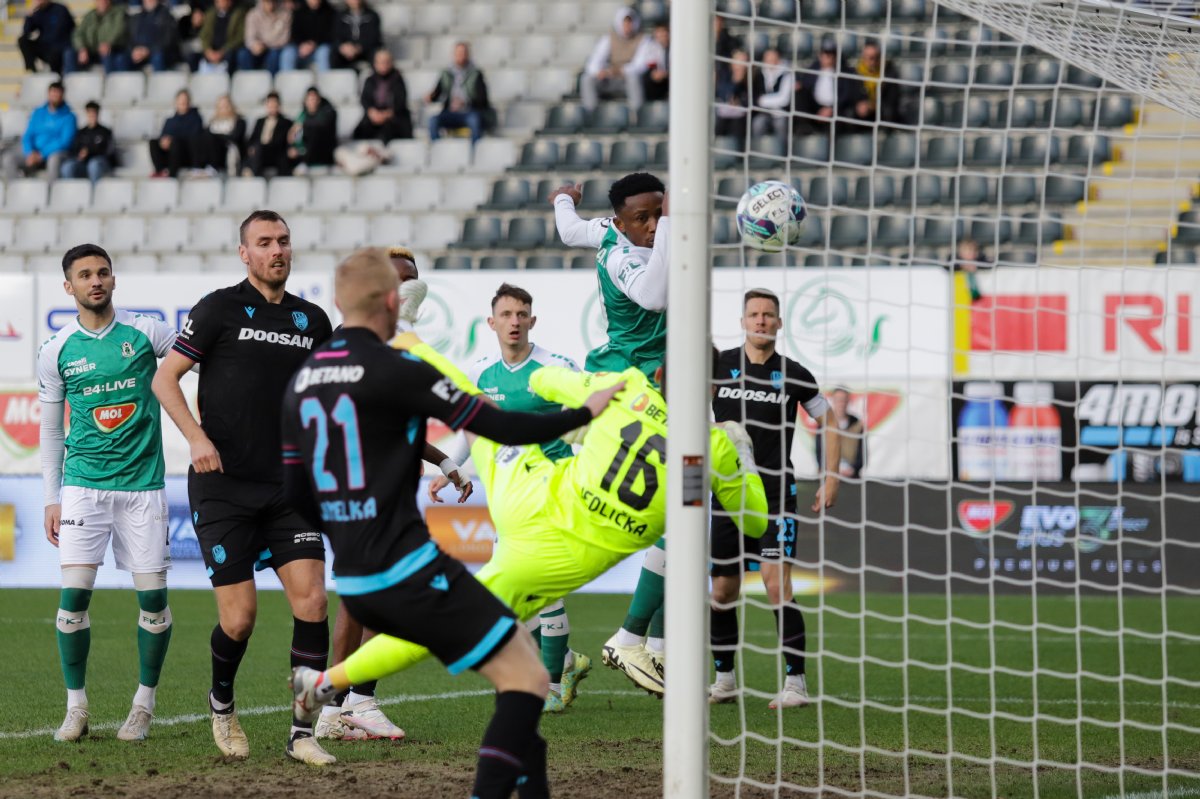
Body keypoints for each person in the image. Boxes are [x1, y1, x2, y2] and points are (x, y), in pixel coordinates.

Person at [284, 249, 628, 794]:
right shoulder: (400, 369)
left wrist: (349, 533)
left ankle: (327, 688)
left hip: (352, 573)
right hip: (407, 567)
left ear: (336, 302)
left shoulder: (303, 379)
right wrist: (587, 411)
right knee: (528, 678)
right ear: (395, 301)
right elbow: (500, 425)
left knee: (519, 681)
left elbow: (295, 490)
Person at [289, 331, 767, 717]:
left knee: (478, 407)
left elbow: (542, 381)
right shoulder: (714, 449)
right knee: (440, 624)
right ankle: (326, 683)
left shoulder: (629, 387)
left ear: (660, 373)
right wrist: (743, 456)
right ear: (714, 387)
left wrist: (591, 403)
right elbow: (755, 522)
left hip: (526, 489)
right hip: (548, 557)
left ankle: (410, 340)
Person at [151, 210, 336, 765]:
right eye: (264, 242)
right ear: (244, 253)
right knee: (239, 619)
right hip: (223, 486)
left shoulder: (312, 320)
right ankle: (222, 702)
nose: (277, 250)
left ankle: (302, 732)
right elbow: (165, 378)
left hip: (290, 488)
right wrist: (196, 438)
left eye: (283, 241)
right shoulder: (218, 309)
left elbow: (333, 397)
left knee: (314, 601)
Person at [313, 247, 464, 743]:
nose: (409, 288)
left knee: (378, 597)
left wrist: (444, 462)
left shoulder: (396, 347)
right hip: (358, 488)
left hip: (389, 488)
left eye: (414, 278)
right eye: (400, 279)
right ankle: (341, 704)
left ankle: (349, 702)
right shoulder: (350, 345)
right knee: (366, 598)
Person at [428, 283, 590, 714]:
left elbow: (589, 419)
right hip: (509, 495)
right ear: (492, 322)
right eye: (506, 314)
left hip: (553, 490)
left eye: (521, 314)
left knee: (543, 587)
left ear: (532, 320)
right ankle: (566, 662)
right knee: (519, 594)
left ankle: (551, 685)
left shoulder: (556, 367)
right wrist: (451, 467)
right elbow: (474, 427)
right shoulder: (481, 373)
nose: (514, 322)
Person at [38, 244, 178, 743]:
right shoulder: (56, 349)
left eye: (102, 272)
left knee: (154, 602)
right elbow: (51, 430)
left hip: (143, 486)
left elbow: (198, 362)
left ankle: (144, 705)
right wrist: (51, 497)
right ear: (69, 286)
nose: (95, 281)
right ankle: (76, 707)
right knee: (72, 601)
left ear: (114, 279)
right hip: (83, 487)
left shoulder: (147, 332)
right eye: (84, 275)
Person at [709, 289, 841, 710]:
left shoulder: (794, 373)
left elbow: (828, 419)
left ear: (779, 323)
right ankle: (724, 680)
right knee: (722, 591)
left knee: (775, 584)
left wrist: (831, 476)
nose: (761, 320)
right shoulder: (719, 366)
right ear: (743, 321)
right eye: (754, 314)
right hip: (727, 494)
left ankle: (795, 684)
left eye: (768, 314)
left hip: (775, 495)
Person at [551, 173, 668, 380]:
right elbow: (653, 299)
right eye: (642, 219)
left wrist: (564, 199)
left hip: (659, 359)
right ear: (621, 224)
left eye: (659, 215)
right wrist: (668, 222)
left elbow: (570, 231)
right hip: (638, 369)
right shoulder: (622, 259)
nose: (654, 227)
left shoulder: (608, 228)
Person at [2, 81, 76, 183]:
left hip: (53, 152)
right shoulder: (38, 112)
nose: (55, 95)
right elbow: (28, 135)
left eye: (58, 93)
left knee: (54, 160)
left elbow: (64, 142)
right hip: (34, 152)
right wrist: (29, 152)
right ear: (48, 94)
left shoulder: (69, 117)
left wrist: (42, 154)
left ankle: (51, 189)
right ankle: (16, 188)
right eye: (53, 92)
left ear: (62, 95)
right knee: (8, 158)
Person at [580, 7, 646, 112]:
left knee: (633, 78)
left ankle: (637, 113)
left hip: (626, 80)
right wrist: (599, 72)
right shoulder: (608, 38)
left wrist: (620, 71)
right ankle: (591, 114)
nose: (627, 26)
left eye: (630, 23)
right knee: (586, 79)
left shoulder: (643, 39)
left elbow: (640, 66)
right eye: (625, 23)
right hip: (609, 80)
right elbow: (594, 61)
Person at [425, 41, 492, 145]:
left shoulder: (476, 74)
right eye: (458, 53)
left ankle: (475, 150)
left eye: (463, 53)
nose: (461, 55)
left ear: (468, 54)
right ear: (454, 54)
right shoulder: (446, 73)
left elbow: (483, 99)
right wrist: (431, 97)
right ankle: (437, 149)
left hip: (469, 112)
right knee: (433, 120)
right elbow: (437, 93)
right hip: (450, 112)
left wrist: (465, 102)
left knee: (475, 120)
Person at [795, 37, 865, 133]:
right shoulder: (812, 70)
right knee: (799, 95)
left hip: (836, 110)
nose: (828, 57)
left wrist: (831, 109)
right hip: (815, 108)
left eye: (832, 54)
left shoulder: (845, 72)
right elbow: (805, 88)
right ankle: (805, 128)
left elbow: (848, 95)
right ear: (820, 55)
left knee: (839, 119)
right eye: (825, 54)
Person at [352, 49, 412, 143]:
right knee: (360, 131)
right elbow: (365, 100)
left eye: (386, 62)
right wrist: (372, 113)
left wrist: (385, 115)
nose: (383, 65)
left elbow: (400, 103)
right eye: (380, 62)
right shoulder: (370, 80)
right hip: (374, 116)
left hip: (394, 118)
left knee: (387, 131)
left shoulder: (398, 80)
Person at [149, 89, 204, 177]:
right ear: (176, 102)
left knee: (175, 142)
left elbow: (195, 137)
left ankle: (172, 174)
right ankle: (160, 171)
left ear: (189, 102)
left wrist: (172, 140)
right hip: (170, 153)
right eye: (180, 100)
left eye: (185, 100)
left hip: (185, 155)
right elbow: (163, 136)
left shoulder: (196, 119)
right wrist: (163, 141)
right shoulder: (169, 121)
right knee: (153, 142)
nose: (183, 102)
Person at [65, 0, 129, 73]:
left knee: (107, 54)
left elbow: (119, 31)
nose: (102, 2)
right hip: (90, 51)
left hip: (112, 48)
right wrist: (82, 48)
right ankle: (71, 79)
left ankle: (111, 79)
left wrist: (109, 43)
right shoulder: (90, 15)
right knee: (70, 54)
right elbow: (78, 33)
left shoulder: (119, 13)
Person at [59, 101, 114, 184]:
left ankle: (94, 190)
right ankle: (71, 190)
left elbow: (108, 153)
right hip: (84, 163)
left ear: (98, 114)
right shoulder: (81, 133)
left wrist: (90, 152)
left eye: (94, 113)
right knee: (67, 167)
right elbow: (74, 150)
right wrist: (79, 155)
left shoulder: (105, 132)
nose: (92, 116)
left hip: (99, 163)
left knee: (93, 164)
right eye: (90, 113)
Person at [816, 387, 865, 478]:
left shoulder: (857, 424)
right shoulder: (823, 424)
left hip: (851, 477)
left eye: (844, 400)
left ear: (848, 401)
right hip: (828, 476)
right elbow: (819, 452)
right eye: (838, 400)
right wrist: (829, 469)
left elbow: (862, 454)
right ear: (833, 401)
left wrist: (853, 469)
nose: (841, 403)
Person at [714, 50, 762, 141]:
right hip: (725, 112)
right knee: (719, 124)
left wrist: (740, 102)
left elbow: (754, 99)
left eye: (743, 61)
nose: (741, 65)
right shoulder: (725, 76)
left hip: (743, 115)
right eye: (738, 61)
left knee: (737, 125)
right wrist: (736, 82)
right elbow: (722, 94)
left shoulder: (754, 78)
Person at [852, 39, 903, 124]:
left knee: (889, 112)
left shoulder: (889, 73)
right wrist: (859, 105)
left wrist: (872, 106)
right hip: (861, 113)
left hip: (881, 111)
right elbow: (850, 96)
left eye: (875, 57)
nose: (872, 61)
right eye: (868, 57)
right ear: (863, 57)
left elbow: (892, 99)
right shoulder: (855, 73)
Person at [287, 87, 338, 171]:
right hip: (303, 152)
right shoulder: (302, 115)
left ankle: (304, 160)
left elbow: (321, 127)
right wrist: (292, 146)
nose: (312, 102)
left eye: (314, 99)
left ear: (319, 100)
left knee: (314, 132)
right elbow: (294, 134)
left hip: (322, 152)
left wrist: (302, 125)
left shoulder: (327, 113)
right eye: (309, 99)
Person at [19, 0, 76, 74]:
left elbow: (70, 29)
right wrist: (29, 14)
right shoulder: (38, 13)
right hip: (46, 47)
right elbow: (26, 31)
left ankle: (57, 73)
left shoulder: (60, 9)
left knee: (55, 52)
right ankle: (32, 70)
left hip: (60, 48)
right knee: (22, 40)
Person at [244, 92, 292, 177]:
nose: (272, 106)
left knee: (258, 150)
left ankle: (253, 174)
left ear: (279, 105)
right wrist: (251, 147)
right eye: (270, 104)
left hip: (275, 152)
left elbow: (282, 142)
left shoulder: (286, 122)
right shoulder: (260, 121)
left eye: (274, 104)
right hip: (259, 151)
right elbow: (252, 138)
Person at [238, 0, 291, 75]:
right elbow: (249, 37)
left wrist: (265, 45)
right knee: (243, 54)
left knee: (274, 55)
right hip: (257, 49)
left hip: (275, 48)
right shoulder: (253, 14)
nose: (271, 5)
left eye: (273, 2)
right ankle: (249, 79)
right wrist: (254, 44)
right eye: (267, 2)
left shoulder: (285, 14)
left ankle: (272, 80)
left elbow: (284, 39)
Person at [280, 0, 334, 72]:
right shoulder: (299, 12)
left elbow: (330, 34)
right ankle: (288, 78)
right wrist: (301, 45)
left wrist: (313, 44)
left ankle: (325, 78)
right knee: (288, 53)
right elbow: (295, 34)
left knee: (323, 52)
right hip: (301, 49)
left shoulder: (329, 12)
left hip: (319, 47)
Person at [200, 94, 246, 175]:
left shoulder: (239, 121)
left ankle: (213, 168)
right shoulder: (212, 122)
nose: (224, 107)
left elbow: (235, 137)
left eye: (226, 105)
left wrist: (217, 137)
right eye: (221, 105)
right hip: (212, 151)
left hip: (227, 150)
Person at [128, 0, 180, 72]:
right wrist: (133, 50)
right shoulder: (136, 18)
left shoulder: (167, 16)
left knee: (158, 57)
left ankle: (160, 79)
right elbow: (130, 39)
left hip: (159, 52)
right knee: (121, 59)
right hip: (139, 52)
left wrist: (148, 50)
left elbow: (168, 40)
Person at [197, 0, 247, 74]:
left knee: (237, 55)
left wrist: (222, 52)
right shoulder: (210, 14)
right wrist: (208, 51)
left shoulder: (238, 14)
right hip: (211, 51)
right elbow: (204, 36)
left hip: (228, 50)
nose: (220, 2)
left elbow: (239, 37)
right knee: (193, 57)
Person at [332, 0, 382, 70]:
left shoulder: (372, 16)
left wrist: (358, 48)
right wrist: (343, 47)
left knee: (377, 54)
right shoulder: (340, 16)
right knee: (333, 54)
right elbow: (336, 36)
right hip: (346, 51)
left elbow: (374, 38)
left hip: (365, 50)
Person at [755, 47, 795, 137]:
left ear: (778, 58)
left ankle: (783, 146)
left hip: (782, 113)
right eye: (767, 58)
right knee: (758, 123)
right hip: (764, 113)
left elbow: (784, 99)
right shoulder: (759, 75)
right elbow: (755, 97)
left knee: (780, 125)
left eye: (773, 58)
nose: (770, 61)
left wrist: (762, 100)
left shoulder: (787, 74)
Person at [630, 22, 669, 105]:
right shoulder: (650, 46)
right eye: (659, 32)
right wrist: (654, 73)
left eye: (664, 31)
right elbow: (641, 65)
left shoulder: (676, 47)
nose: (662, 35)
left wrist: (666, 74)